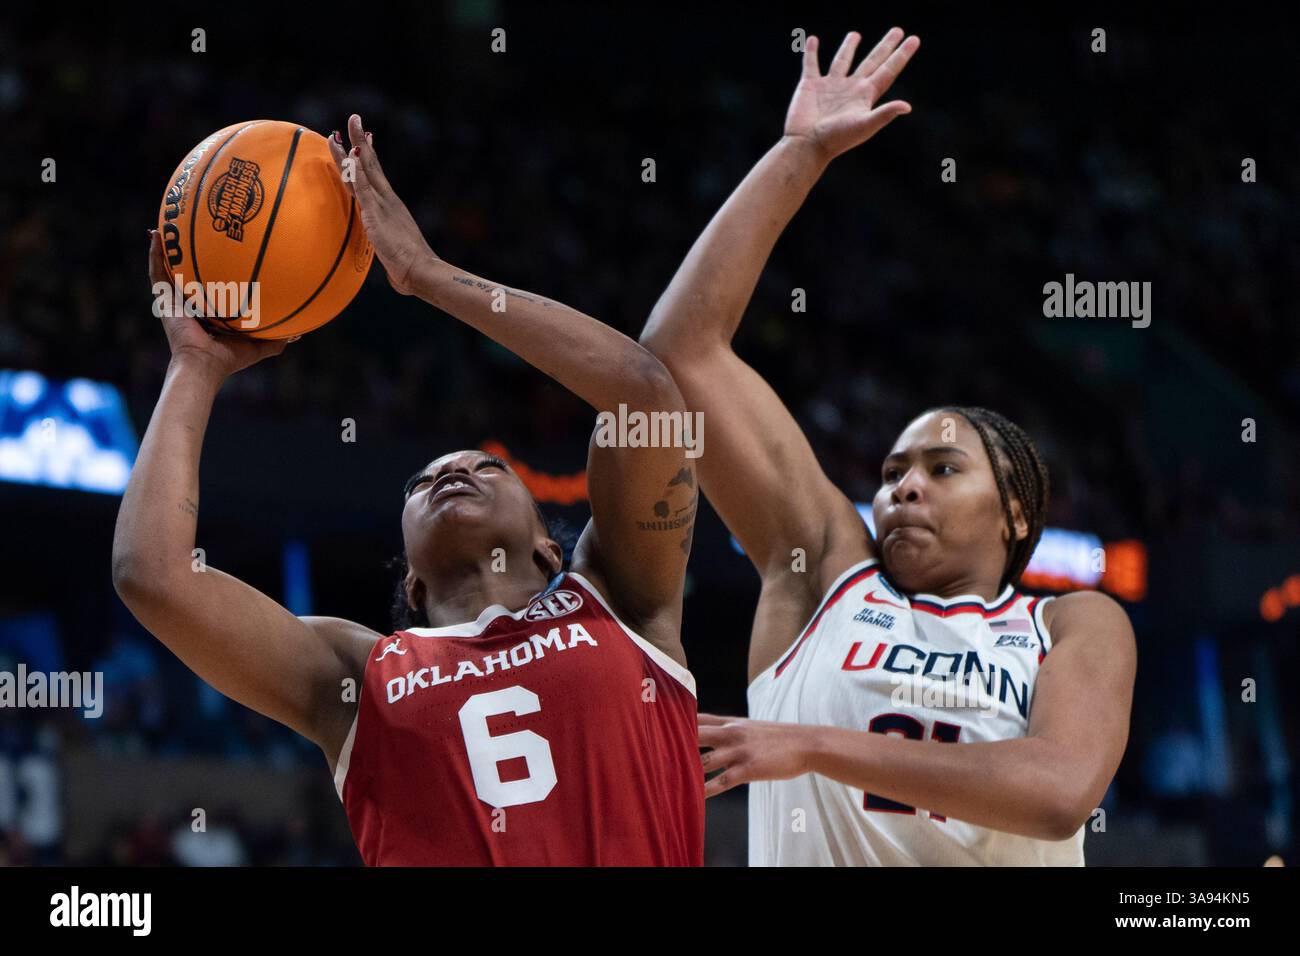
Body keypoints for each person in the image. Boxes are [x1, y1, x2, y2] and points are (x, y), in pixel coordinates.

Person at [113, 114, 703, 866]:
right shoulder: (357, 677)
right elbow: (151, 575)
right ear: (412, 583)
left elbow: (646, 397)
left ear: (550, 545)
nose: (451, 473)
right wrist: (192, 367)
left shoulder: (622, 600)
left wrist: (426, 276)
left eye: (488, 467)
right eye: (422, 480)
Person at [639, 28, 1136, 865]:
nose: (903, 487)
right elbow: (680, 350)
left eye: (943, 469)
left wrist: (811, 746)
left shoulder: (1072, 623)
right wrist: (797, 155)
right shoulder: (826, 572)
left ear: (1016, 511)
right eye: (893, 471)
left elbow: (1055, 793)